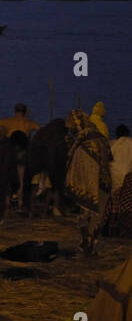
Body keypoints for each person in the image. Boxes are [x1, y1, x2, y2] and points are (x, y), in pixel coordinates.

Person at [65, 109, 112, 256]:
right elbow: (110, 158)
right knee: (97, 215)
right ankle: (92, 243)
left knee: (85, 214)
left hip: (86, 184)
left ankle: (85, 244)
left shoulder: (82, 140)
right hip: (103, 183)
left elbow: (72, 160)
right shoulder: (101, 137)